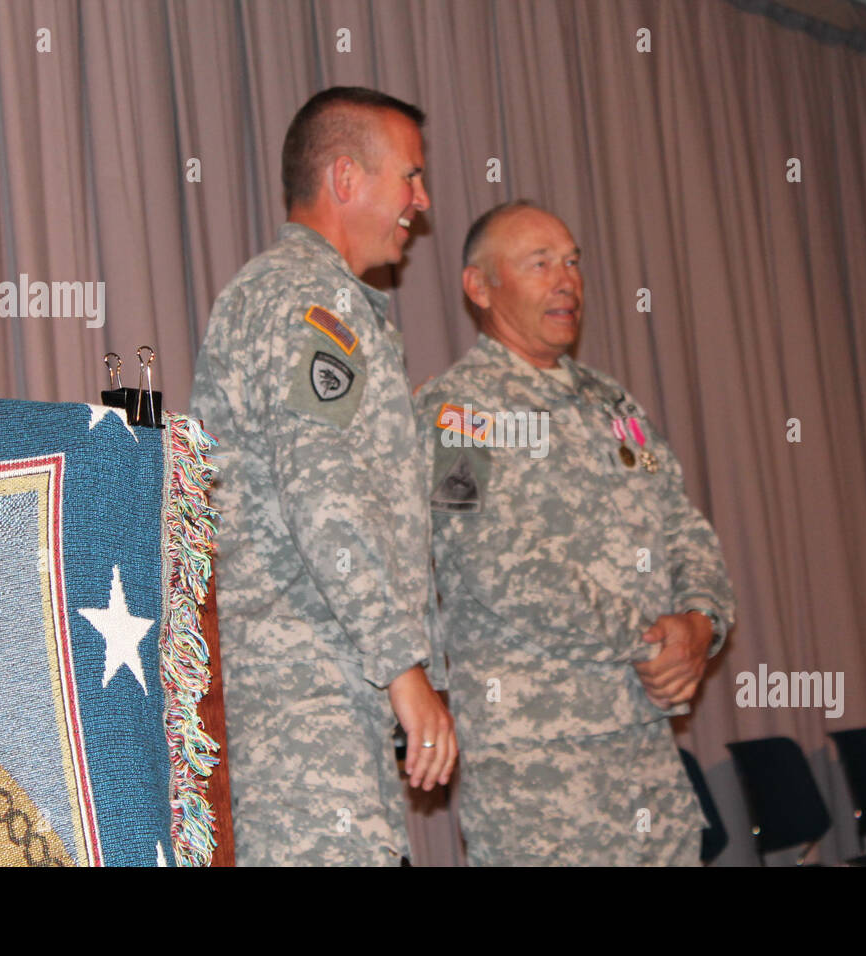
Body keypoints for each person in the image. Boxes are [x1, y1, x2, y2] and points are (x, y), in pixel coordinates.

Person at [415, 200, 736, 865]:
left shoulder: (611, 402)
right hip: (538, 773)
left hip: (645, 756)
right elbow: (491, 561)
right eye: (539, 264)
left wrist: (700, 625)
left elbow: (681, 522)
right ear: (481, 287)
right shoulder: (459, 410)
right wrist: (648, 640)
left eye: (572, 262)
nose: (566, 280)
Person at [190, 87, 456, 866]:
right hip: (304, 702)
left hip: (323, 698)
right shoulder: (313, 302)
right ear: (346, 178)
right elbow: (323, 496)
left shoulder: (307, 299)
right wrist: (403, 667)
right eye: (408, 176)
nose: (422, 199)